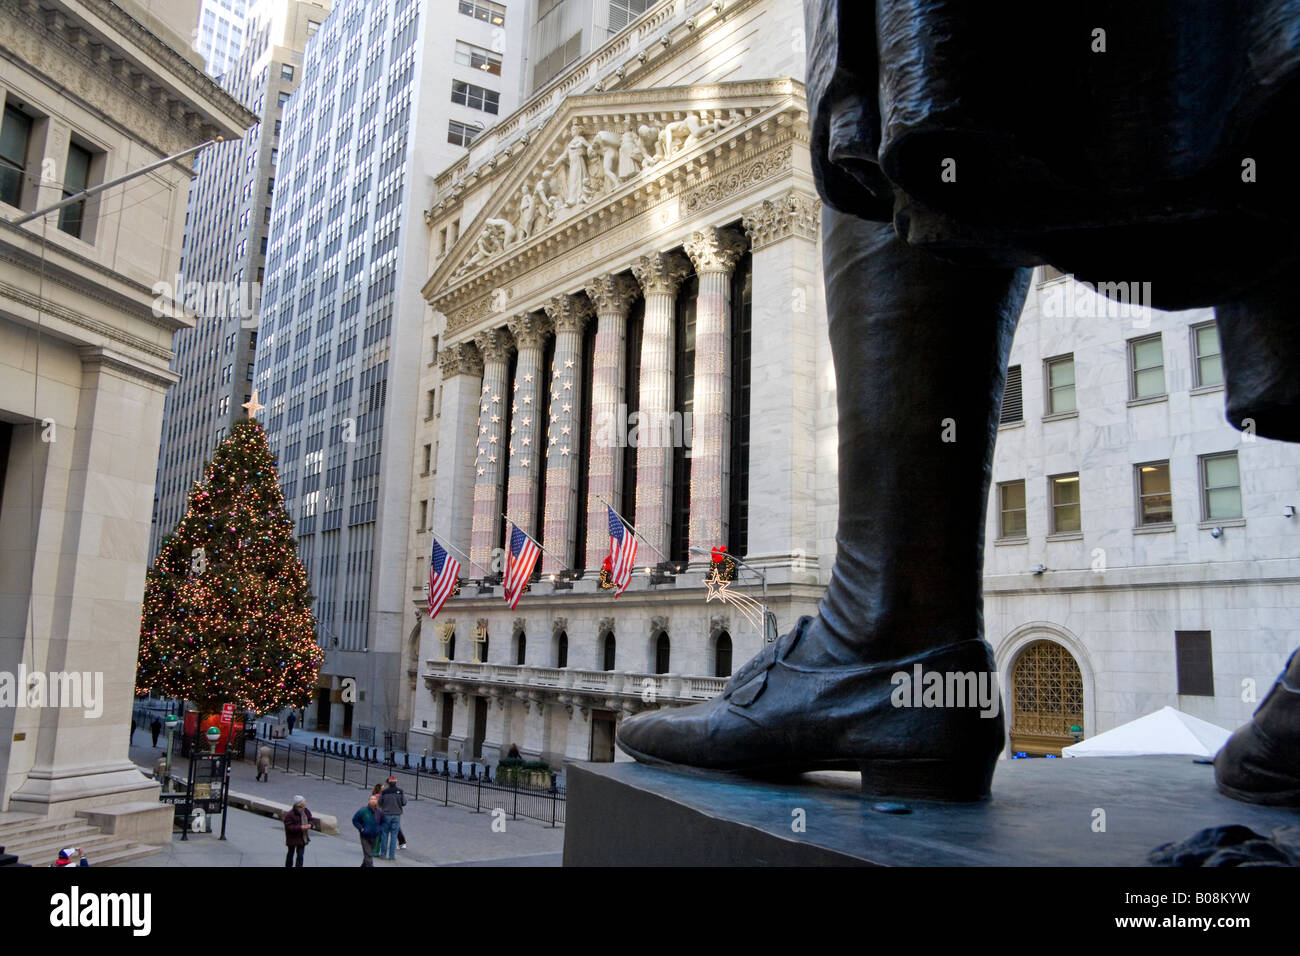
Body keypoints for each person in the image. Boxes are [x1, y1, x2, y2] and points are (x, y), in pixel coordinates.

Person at [377, 776, 405, 860]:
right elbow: (404, 802)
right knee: (394, 835)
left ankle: (383, 854)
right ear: (396, 782)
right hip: (396, 815)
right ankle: (392, 856)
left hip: (386, 815)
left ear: (388, 782)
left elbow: (380, 802)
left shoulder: (384, 792)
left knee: (384, 834)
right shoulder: (400, 791)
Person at [352, 795, 384, 867]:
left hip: (374, 836)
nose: (373, 800)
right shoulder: (363, 811)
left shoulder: (379, 812)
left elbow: (384, 822)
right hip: (364, 836)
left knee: (368, 854)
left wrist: (380, 829)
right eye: (371, 799)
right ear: (368, 801)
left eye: (374, 799)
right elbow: (355, 820)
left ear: (376, 801)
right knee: (368, 854)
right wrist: (361, 828)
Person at [283, 796, 313, 867]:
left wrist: (310, 825)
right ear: (299, 804)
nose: (305, 803)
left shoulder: (306, 811)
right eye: (304, 802)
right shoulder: (290, 814)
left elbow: (311, 820)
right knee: (290, 853)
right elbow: (288, 827)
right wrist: (300, 827)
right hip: (292, 837)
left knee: (300, 855)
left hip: (302, 837)